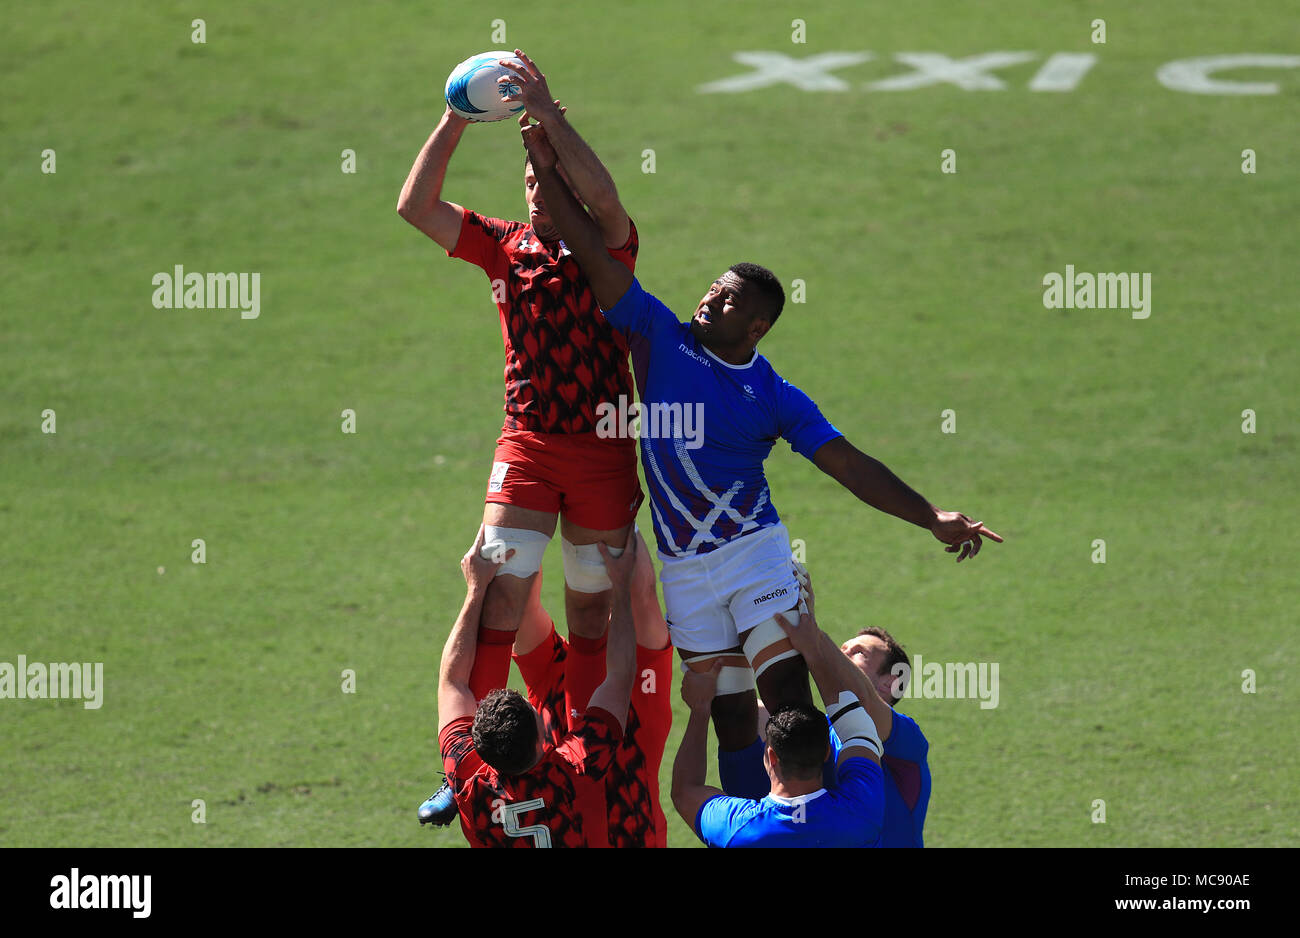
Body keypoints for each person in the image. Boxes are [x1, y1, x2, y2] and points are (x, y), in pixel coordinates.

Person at [515, 99, 1001, 800]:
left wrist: (931, 516)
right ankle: (752, 832)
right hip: (685, 570)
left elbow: (851, 465)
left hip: (753, 556)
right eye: (715, 287)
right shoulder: (657, 333)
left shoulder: (774, 395)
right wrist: (540, 151)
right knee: (733, 719)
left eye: (732, 298)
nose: (712, 298)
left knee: (791, 707)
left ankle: (826, 828)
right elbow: (592, 249)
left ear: (760, 324)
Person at [397, 49, 642, 731]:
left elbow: (604, 195)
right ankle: (473, 747)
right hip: (528, 447)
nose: (538, 188)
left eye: (550, 177)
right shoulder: (502, 245)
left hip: (604, 450)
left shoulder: (611, 246)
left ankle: (583, 741)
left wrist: (547, 118)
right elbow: (414, 206)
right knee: (502, 592)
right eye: (530, 177)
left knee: (592, 605)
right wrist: (455, 118)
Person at [436, 527, 659, 847]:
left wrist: (475, 592)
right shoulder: (571, 769)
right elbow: (620, 676)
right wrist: (475, 585)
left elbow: (454, 681)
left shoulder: (470, 776)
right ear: (543, 734)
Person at [670, 602, 885, 847]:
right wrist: (814, 650)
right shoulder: (862, 813)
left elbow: (685, 790)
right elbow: (860, 730)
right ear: (827, 753)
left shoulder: (740, 828)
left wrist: (700, 710)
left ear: (771, 756)